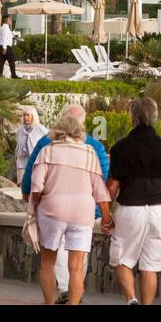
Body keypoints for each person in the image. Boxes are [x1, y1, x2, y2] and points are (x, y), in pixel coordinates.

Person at [20, 103, 108, 304]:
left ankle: (56, 295)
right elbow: (102, 181)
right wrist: (105, 213)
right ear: (82, 126)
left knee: (48, 262)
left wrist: (31, 201)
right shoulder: (93, 148)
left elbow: (33, 182)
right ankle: (74, 298)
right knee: (77, 266)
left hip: (52, 210)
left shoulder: (46, 145)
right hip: (83, 211)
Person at [105, 97, 161, 305]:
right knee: (150, 266)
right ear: (154, 118)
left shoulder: (120, 149)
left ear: (133, 119)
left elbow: (112, 186)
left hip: (130, 211)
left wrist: (105, 214)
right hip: (157, 211)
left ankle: (131, 300)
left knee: (121, 259)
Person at [15, 106, 46, 182]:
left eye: (28, 115)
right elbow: (18, 146)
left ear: (33, 116)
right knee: (21, 187)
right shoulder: (20, 130)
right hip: (21, 164)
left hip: (35, 164)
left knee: (34, 187)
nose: (26, 117)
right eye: (24, 115)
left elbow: (48, 142)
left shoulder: (40, 129)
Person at [0, 13, 18, 79]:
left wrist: (12, 35)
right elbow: (4, 38)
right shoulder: (5, 28)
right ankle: (13, 75)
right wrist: (5, 48)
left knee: (2, 61)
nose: (11, 21)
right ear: (7, 20)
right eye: (10, 19)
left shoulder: (4, 27)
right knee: (12, 60)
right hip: (5, 47)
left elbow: (4, 37)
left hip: (1, 46)